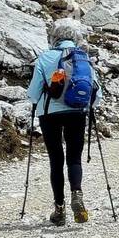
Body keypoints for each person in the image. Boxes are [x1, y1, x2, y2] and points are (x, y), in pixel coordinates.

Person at [26, 19, 103, 225]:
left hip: (49, 113)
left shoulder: (45, 58)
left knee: (56, 159)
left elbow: (33, 94)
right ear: (75, 39)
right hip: (77, 112)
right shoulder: (83, 58)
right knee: (74, 158)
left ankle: (59, 209)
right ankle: (77, 194)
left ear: (54, 38)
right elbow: (97, 94)